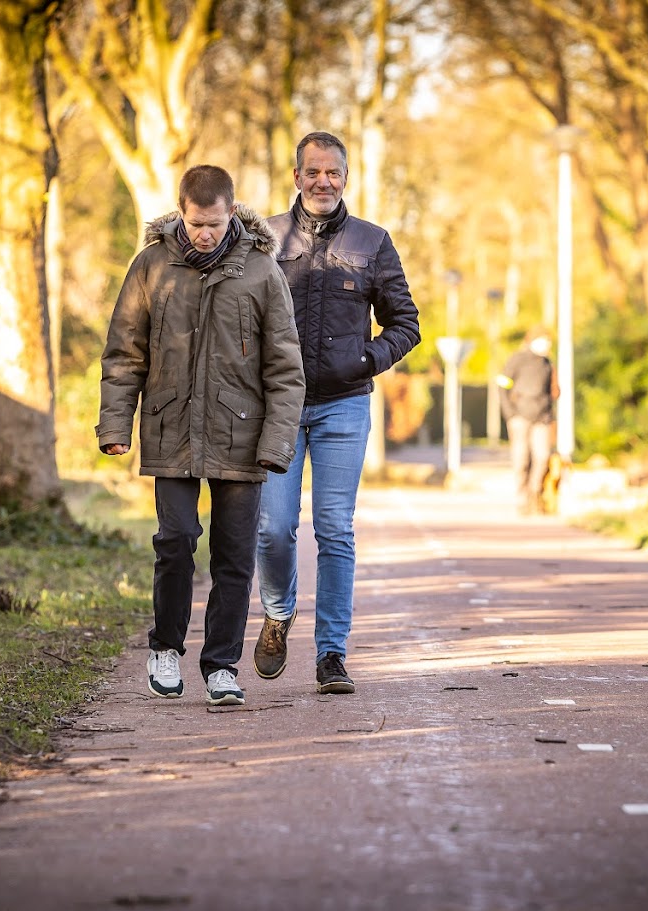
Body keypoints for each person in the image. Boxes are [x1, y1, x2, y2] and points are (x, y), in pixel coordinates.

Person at [97, 165, 305, 706]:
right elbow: (125, 352)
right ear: (181, 213)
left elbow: (285, 368)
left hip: (242, 435)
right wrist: (116, 424)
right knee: (175, 541)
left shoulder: (262, 272)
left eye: (213, 224)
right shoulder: (150, 265)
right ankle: (166, 647)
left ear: (231, 213)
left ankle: (221, 666)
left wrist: (277, 443)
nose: (204, 234)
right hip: (171, 429)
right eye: (195, 224)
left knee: (234, 555)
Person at [253, 130, 422, 694]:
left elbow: (406, 324)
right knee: (275, 529)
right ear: (296, 177)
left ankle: (332, 655)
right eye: (313, 172)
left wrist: (364, 360)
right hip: (276, 407)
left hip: (343, 409)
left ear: (345, 179)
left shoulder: (373, 241)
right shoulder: (264, 240)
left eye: (334, 173)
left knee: (334, 530)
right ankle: (278, 615)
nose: (324, 182)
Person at [496, 327, 561, 515]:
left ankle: (535, 493)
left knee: (542, 457)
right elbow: (502, 384)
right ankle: (522, 497)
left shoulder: (547, 363)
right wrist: (510, 412)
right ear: (532, 340)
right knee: (521, 458)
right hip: (519, 416)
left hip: (542, 417)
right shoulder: (518, 359)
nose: (547, 344)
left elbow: (553, 390)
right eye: (544, 340)